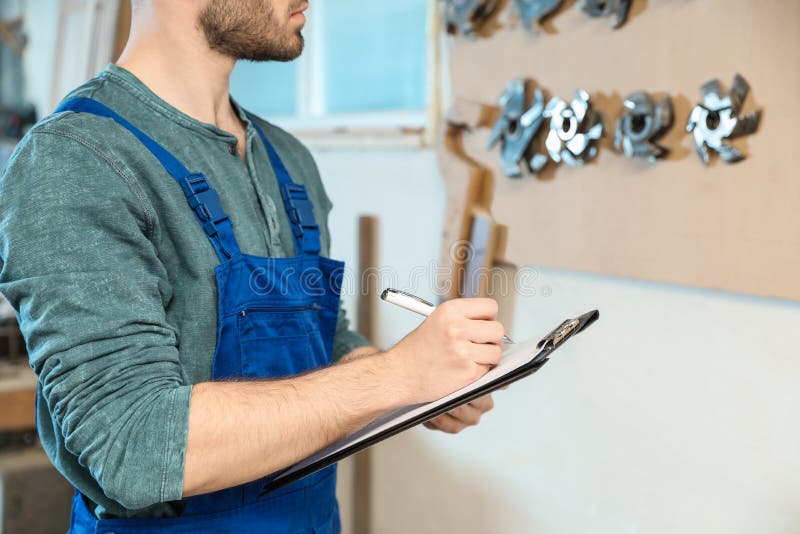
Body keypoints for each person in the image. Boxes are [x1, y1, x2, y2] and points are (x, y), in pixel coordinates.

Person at [0, 0, 506, 531]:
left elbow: (325, 343)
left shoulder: (288, 159)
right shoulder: (75, 160)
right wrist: (395, 376)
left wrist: (419, 388)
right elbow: (135, 447)